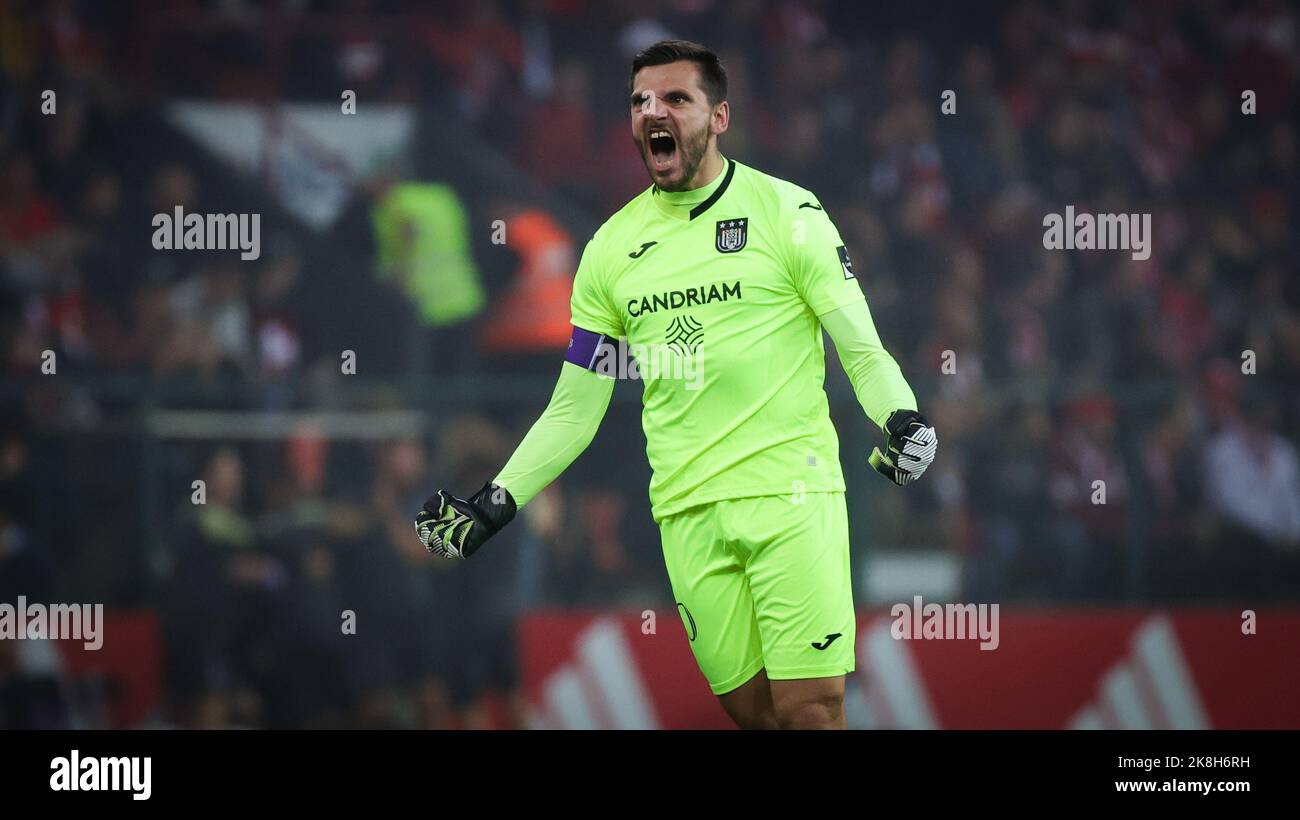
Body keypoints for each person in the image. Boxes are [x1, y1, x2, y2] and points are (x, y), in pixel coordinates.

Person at [413, 40, 936, 729]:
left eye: (675, 99)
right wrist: (493, 504)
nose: (653, 112)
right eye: (640, 102)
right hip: (687, 513)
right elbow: (574, 410)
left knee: (810, 707)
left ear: (719, 116)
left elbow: (861, 349)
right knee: (754, 714)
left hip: (791, 492)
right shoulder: (609, 252)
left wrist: (903, 417)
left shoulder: (789, 214)